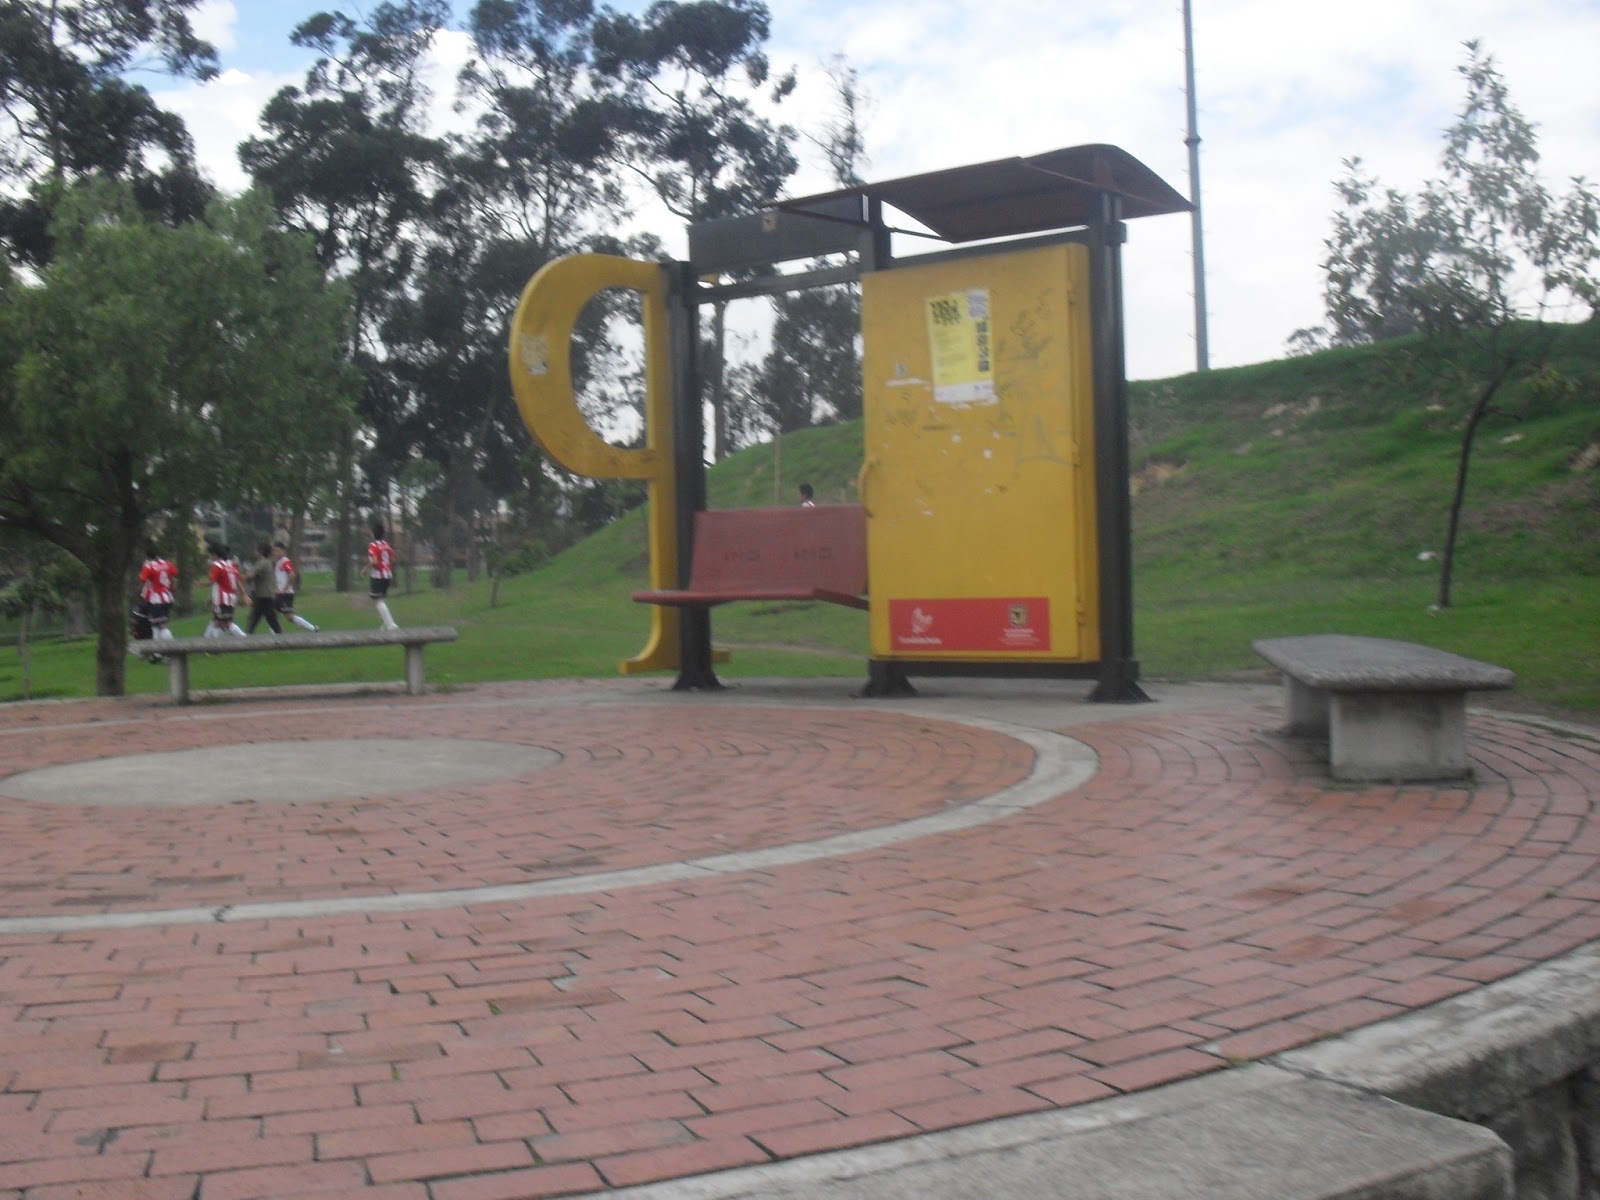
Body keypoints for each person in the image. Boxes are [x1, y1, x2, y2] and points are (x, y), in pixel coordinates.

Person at [136, 544, 178, 648]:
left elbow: (142, 579)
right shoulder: (167, 563)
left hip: (156, 599)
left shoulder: (149, 566)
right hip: (168, 597)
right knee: (155, 624)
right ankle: (157, 652)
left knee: (161, 625)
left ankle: (172, 648)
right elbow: (175, 574)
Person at [272, 541, 318, 631]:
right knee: (273, 614)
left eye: (278, 551)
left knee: (290, 617)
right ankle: (275, 635)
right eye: (274, 551)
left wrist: (285, 588)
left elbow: (292, 575)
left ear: (283, 551)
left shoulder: (286, 562)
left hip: (285, 594)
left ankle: (313, 628)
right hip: (279, 594)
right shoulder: (278, 563)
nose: (275, 553)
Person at [363, 521, 399, 630]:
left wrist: (365, 569)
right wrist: (387, 566)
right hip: (388, 575)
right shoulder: (386, 545)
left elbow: (374, 561)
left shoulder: (373, 545)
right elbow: (393, 559)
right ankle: (385, 623)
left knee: (378, 600)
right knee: (381, 598)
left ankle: (391, 624)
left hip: (378, 576)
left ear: (373, 533)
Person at [205, 543, 246, 637]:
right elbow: (232, 582)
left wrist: (199, 584)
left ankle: (243, 638)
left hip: (222, 599)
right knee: (217, 621)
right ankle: (205, 643)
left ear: (215, 555)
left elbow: (215, 583)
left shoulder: (219, 566)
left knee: (224, 623)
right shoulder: (230, 566)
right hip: (229, 598)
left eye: (211, 555)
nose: (210, 558)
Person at [244, 542, 283, 635]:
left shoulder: (262, 562)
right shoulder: (267, 562)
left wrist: (244, 576)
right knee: (266, 617)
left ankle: (247, 635)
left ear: (261, 551)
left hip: (263, 595)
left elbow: (251, 575)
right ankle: (279, 634)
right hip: (266, 594)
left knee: (259, 617)